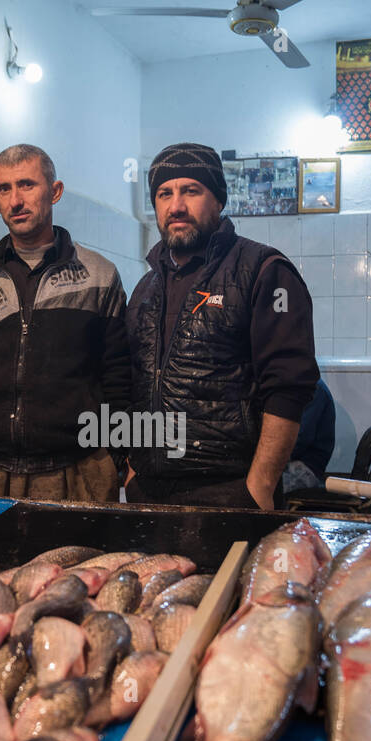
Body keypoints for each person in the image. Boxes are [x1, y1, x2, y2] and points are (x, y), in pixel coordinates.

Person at [0, 144, 130, 500]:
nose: (15, 200)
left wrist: (112, 457)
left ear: (55, 191)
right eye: (4, 189)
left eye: (27, 185)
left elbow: (119, 379)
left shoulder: (99, 276)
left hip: (77, 474)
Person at [124, 143, 319, 509]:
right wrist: (134, 470)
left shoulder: (263, 270)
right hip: (148, 493)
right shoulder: (146, 289)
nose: (176, 205)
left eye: (191, 191)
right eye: (165, 194)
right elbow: (134, 383)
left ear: (219, 201)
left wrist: (259, 486)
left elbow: (289, 386)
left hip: (231, 494)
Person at [283, 378, 336, 494]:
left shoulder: (313, 389)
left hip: (306, 468)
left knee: (255, 488)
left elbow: (299, 439)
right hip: (292, 462)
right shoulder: (295, 384)